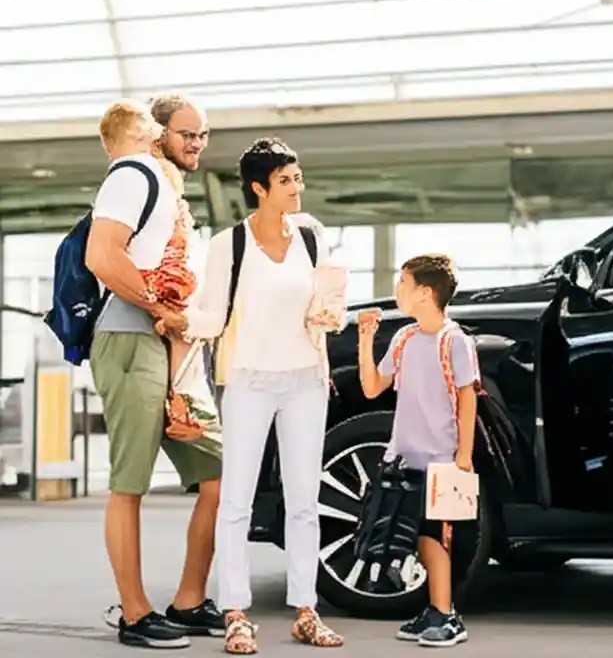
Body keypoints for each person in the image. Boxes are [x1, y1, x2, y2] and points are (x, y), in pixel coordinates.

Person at [175, 137, 345, 653]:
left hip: (305, 382)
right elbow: (212, 314)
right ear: (258, 188)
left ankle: (305, 610)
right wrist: (178, 319)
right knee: (235, 501)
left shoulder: (312, 236)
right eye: (286, 180)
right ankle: (235, 612)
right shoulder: (231, 244)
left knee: (304, 502)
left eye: (297, 178)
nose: (297, 187)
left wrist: (329, 319)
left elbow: (330, 305)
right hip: (247, 379)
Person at [86, 97, 224, 649]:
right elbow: (102, 255)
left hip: (170, 346)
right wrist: (157, 307)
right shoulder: (132, 174)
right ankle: (135, 614)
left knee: (218, 476)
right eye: (186, 133)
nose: (196, 143)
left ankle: (188, 600)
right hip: (130, 337)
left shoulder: (166, 188)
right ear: (156, 133)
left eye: (203, 135)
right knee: (130, 482)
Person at [356, 254, 477, 648]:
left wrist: (463, 457)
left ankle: (446, 616)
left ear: (425, 293)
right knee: (408, 537)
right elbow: (373, 387)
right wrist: (364, 340)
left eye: (403, 284)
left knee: (434, 538)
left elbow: (467, 398)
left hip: (440, 461)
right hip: (404, 459)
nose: (397, 291)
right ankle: (435, 609)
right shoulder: (404, 338)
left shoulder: (455, 341)